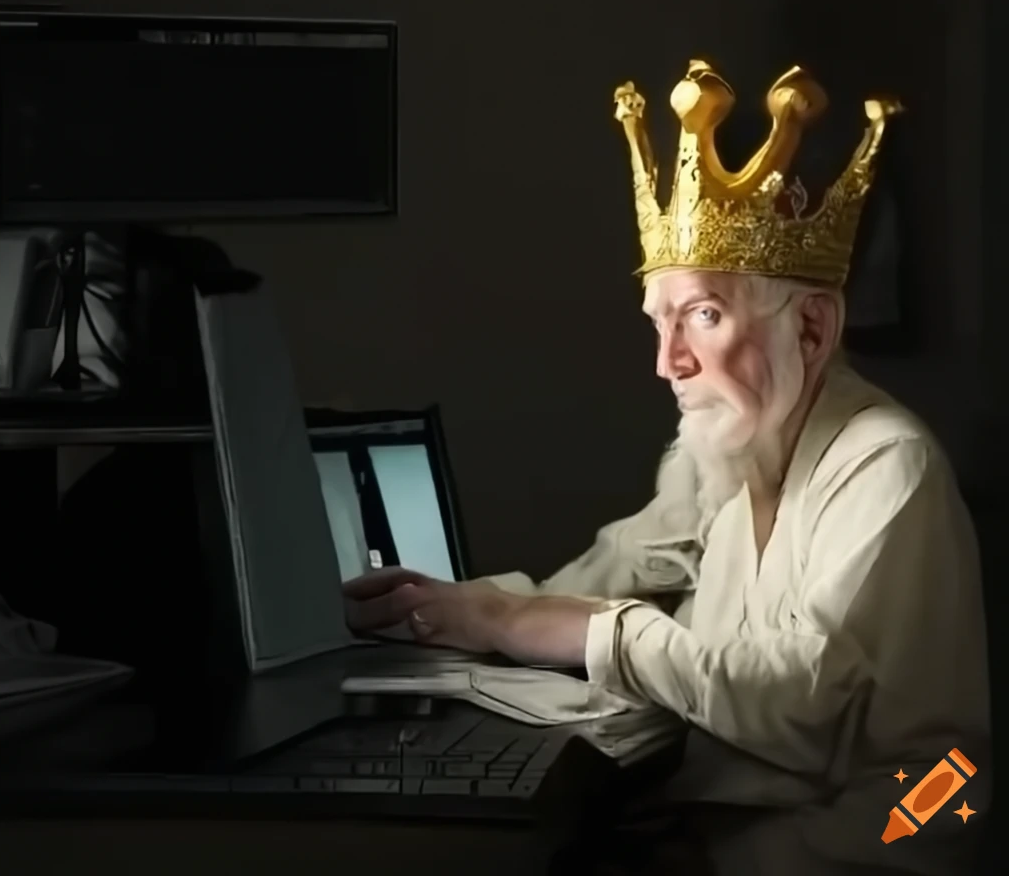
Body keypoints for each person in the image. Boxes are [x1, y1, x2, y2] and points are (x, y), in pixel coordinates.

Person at [344, 59, 991, 875]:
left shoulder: (887, 470)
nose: (669, 362)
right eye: (659, 322)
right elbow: (601, 578)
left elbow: (950, 783)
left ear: (814, 329)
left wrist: (744, 861)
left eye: (705, 316)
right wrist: (444, 611)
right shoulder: (725, 451)